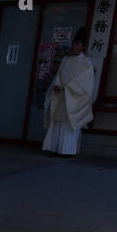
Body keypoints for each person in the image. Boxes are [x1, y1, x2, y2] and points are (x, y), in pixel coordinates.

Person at [42, 28, 94, 156]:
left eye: (78, 44)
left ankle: (66, 151)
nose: (74, 46)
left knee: (69, 124)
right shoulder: (66, 60)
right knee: (57, 122)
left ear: (83, 46)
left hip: (74, 98)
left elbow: (86, 83)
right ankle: (53, 148)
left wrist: (68, 88)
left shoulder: (87, 62)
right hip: (61, 95)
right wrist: (58, 85)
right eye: (74, 43)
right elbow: (59, 75)